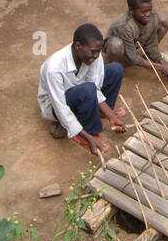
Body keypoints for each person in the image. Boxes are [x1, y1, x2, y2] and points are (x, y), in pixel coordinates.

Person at [37, 24, 126, 157]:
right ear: (78, 46)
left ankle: (99, 112)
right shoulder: (54, 68)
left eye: (98, 52)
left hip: (84, 91)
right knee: (87, 90)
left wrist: (111, 116)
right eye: (93, 52)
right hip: (56, 104)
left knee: (116, 70)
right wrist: (88, 136)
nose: (97, 56)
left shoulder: (93, 55)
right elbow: (60, 106)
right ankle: (88, 132)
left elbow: (95, 87)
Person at [104, 0, 168, 77]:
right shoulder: (124, 26)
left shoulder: (151, 17)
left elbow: (151, 44)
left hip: (134, 47)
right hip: (122, 53)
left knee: (163, 20)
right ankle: (112, 70)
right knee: (116, 45)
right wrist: (160, 67)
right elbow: (132, 57)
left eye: (150, 10)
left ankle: (146, 57)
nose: (148, 14)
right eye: (143, 12)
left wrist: (162, 62)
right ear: (131, 11)